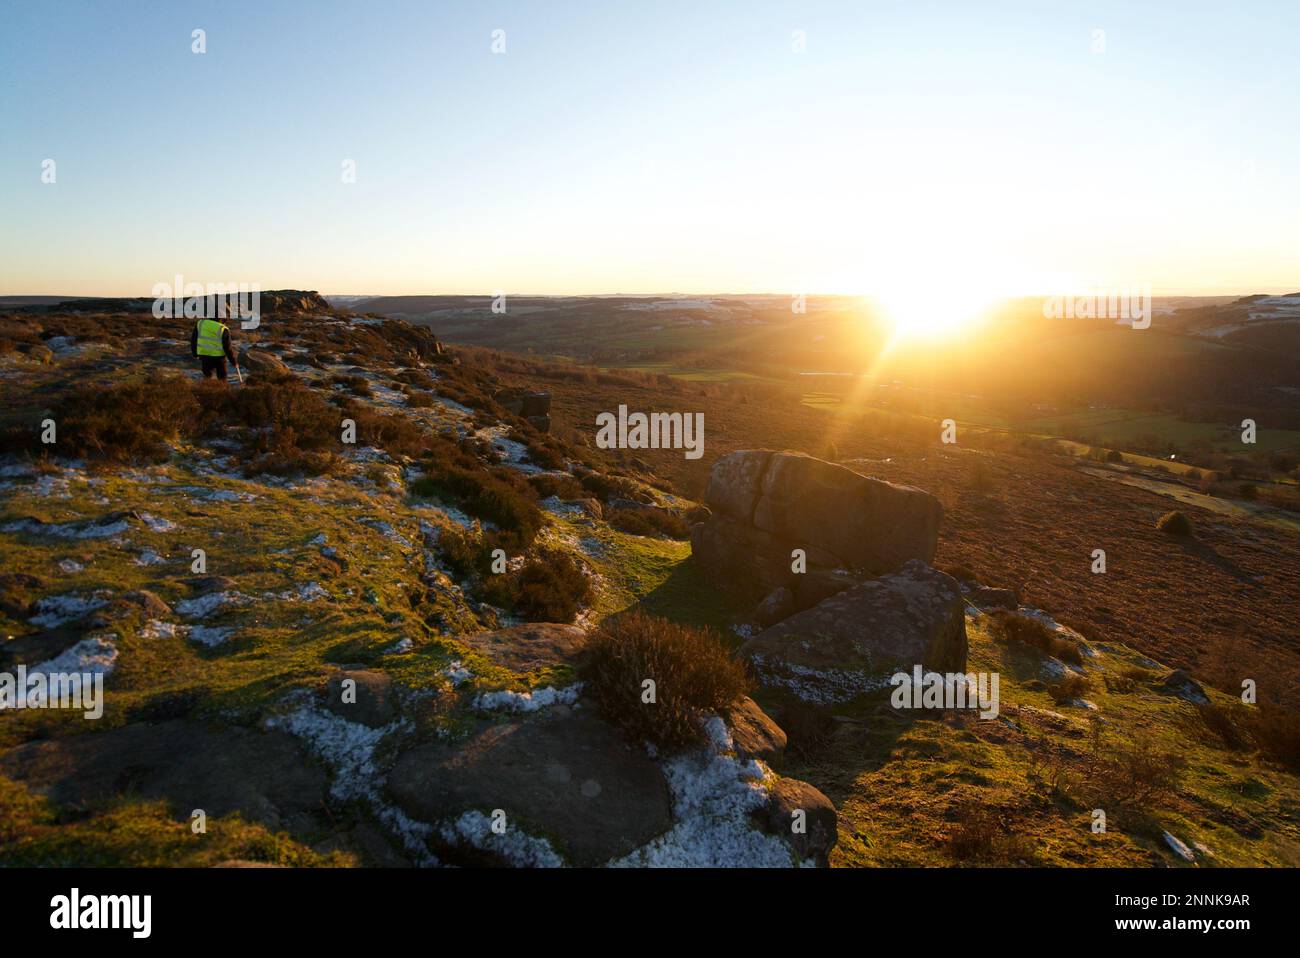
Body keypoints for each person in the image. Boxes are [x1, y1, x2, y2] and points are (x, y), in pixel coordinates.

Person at [190, 314, 239, 381]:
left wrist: (195, 353)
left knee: (207, 377)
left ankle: (205, 389)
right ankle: (221, 389)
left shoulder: (201, 323)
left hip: (205, 355)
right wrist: (234, 362)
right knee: (222, 378)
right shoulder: (223, 329)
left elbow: (194, 339)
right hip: (219, 358)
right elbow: (227, 348)